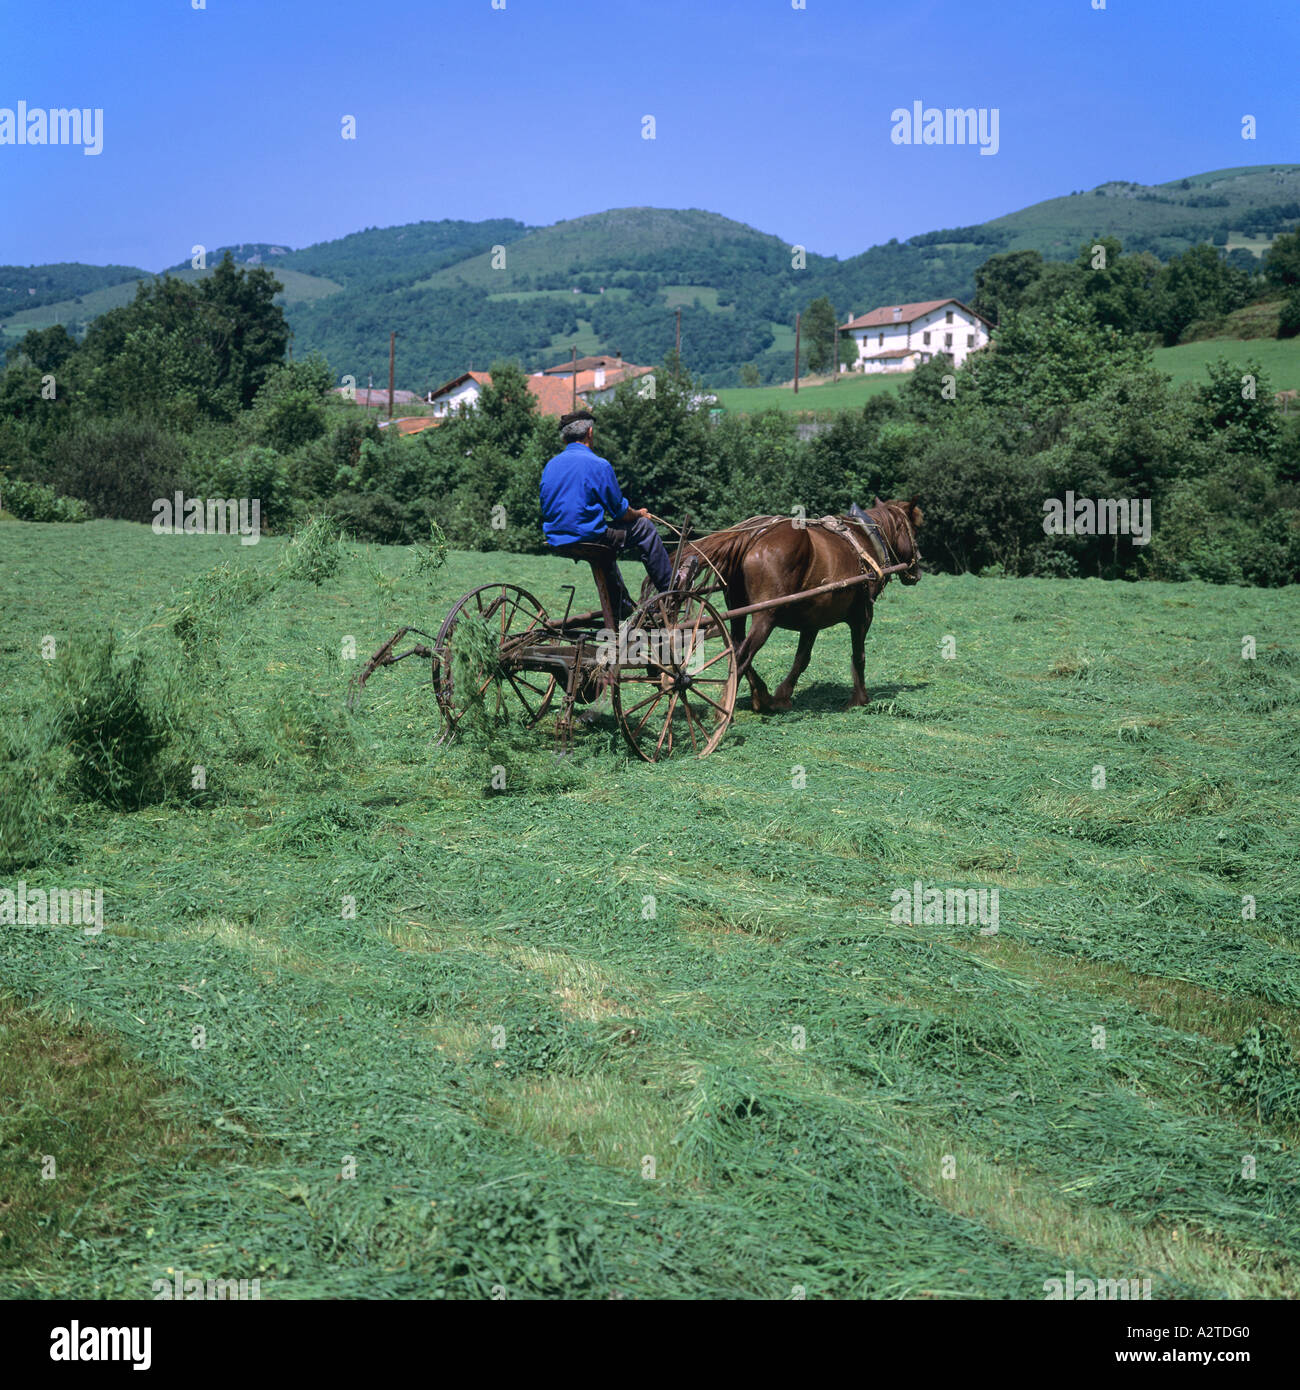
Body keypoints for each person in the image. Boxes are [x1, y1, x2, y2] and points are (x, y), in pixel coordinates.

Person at [540, 410, 672, 619]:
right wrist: (639, 514)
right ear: (590, 433)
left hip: (556, 537)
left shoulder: (551, 465)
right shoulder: (599, 465)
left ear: (565, 437)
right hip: (587, 536)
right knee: (644, 529)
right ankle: (670, 590)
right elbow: (620, 513)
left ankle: (621, 604)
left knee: (605, 548)